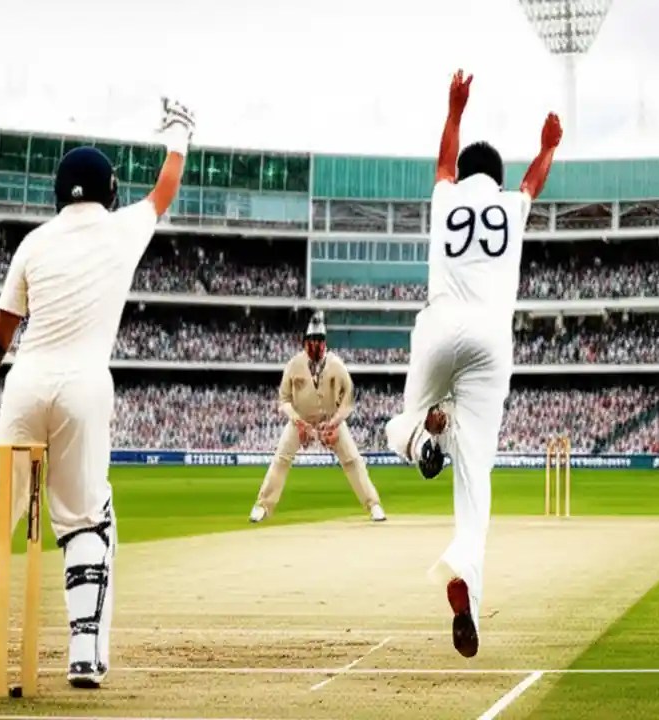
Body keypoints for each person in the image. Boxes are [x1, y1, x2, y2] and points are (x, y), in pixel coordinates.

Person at [0, 98, 196, 689]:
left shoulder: (34, 242)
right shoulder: (124, 229)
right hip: (85, 387)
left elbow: (1, 329)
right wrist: (180, 131)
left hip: (25, 382)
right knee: (83, 520)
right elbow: (166, 187)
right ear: (108, 189)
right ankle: (82, 656)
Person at [383, 69, 561, 658]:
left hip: (439, 326)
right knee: (476, 484)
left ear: (464, 175)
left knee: (398, 423)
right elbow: (534, 183)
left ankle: (421, 444)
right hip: (491, 338)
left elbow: (442, 160)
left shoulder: (446, 198)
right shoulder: (511, 207)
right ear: (500, 179)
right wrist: (548, 147)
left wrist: (454, 108)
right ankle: (465, 582)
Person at [250, 310, 385, 523]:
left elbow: (348, 401)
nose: (315, 345)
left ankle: (374, 505)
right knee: (281, 459)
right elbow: (284, 400)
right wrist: (298, 421)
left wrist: (334, 423)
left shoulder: (337, 366)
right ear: (305, 342)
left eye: (319, 341)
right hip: (300, 421)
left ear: (325, 342)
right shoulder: (294, 365)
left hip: (330, 420)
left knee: (352, 460)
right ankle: (263, 506)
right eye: (312, 341)